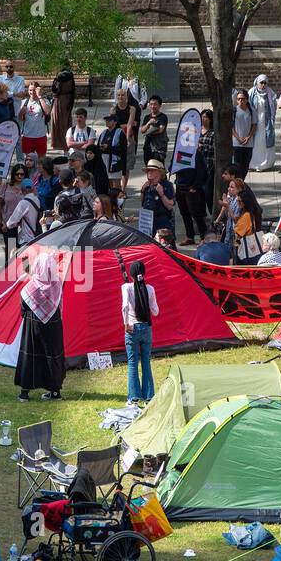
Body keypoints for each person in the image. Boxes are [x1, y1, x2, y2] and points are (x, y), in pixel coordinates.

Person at [15, 250, 65, 401]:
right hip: (54, 324)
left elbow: (23, 307)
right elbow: (59, 304)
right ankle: (54, 391)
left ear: (37, 266)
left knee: (30, 356)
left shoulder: (30, 287)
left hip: (33, 325)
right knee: (52, 355)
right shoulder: (57, 283)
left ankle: (25, 393)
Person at [121, 259, 159, 406]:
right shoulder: (150, 289)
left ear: (131, 274)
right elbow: (155, 311)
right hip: (146, 328)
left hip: (132, 327)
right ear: (144, 273)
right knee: (146, 362)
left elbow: (125, 306)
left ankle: (134, 398)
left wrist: (126, 323)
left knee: (132, 362)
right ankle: (149, 396)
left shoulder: (126, 287)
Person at [229, 181, 263, 265]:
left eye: (240, 201)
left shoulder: (246, 216)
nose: (238, 203)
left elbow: (237, 234)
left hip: (246, 249)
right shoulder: (252, 213)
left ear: (246, 202)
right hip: (253, 249)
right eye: (237, 201)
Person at [140, 160, 176, 234]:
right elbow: (143, 204)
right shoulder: (147, 185)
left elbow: (170, 206)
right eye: (148, 171)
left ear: (160, 172)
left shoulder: (166, 185)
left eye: (152, 170)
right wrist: (142, 191)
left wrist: (161, 194)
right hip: (147, 220)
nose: (149, 172)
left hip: (162, 220)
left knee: (165, 243)